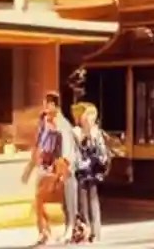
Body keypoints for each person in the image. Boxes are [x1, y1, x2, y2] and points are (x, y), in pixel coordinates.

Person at [22, 92, 79, 246]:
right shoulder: (43, 122)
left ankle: (72, 227)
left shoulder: (63, 124)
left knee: (63, 201)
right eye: (44, 103)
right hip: (44, 165)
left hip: (58, 166)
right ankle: (44, 231)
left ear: (55, 105)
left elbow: (67, 148)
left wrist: (63, 168)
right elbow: (38, 144)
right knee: (38, 199)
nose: (45, 107)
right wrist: (30, 167)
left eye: (48, 104)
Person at [72, 102, 109, 244]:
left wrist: (94, 139)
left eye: (93, 116)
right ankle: (84, 229)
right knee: (82, 202)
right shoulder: (76, 132)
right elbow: (76, 151)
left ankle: (96, 231)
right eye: (88, 116)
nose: (90, 119)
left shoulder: (96, 132)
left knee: (93, 199)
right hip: (80, 171)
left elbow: (102, 153)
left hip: (92, 170)